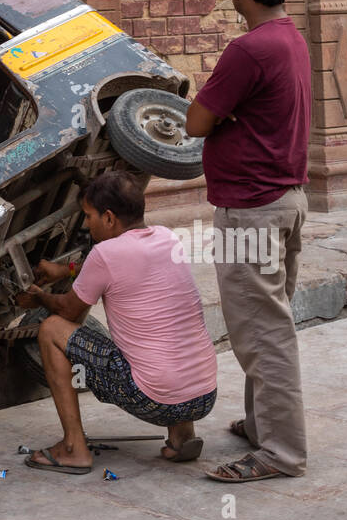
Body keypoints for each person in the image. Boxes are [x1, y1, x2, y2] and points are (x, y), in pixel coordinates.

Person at [185, 0, 311, 483]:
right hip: (284, 201)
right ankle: (264, 427)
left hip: (253, 211)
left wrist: (220, 119)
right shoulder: (290, 39)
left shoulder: (249, 50)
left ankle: (280, 452)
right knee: (268, 324)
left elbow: (194, 122)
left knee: (263, 334)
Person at [17, 169, 217, 475]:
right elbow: (116, 263)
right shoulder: (166, 237)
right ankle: (181, 436)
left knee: (51, 329)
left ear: (109, 218)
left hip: (154, 400)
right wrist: (66, 270)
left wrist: (40, 297)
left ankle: (73, 448)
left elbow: (68, 312)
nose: (86, 224)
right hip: (204, 396)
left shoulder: (105, 253)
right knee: (166, 340)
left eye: (88, 216)